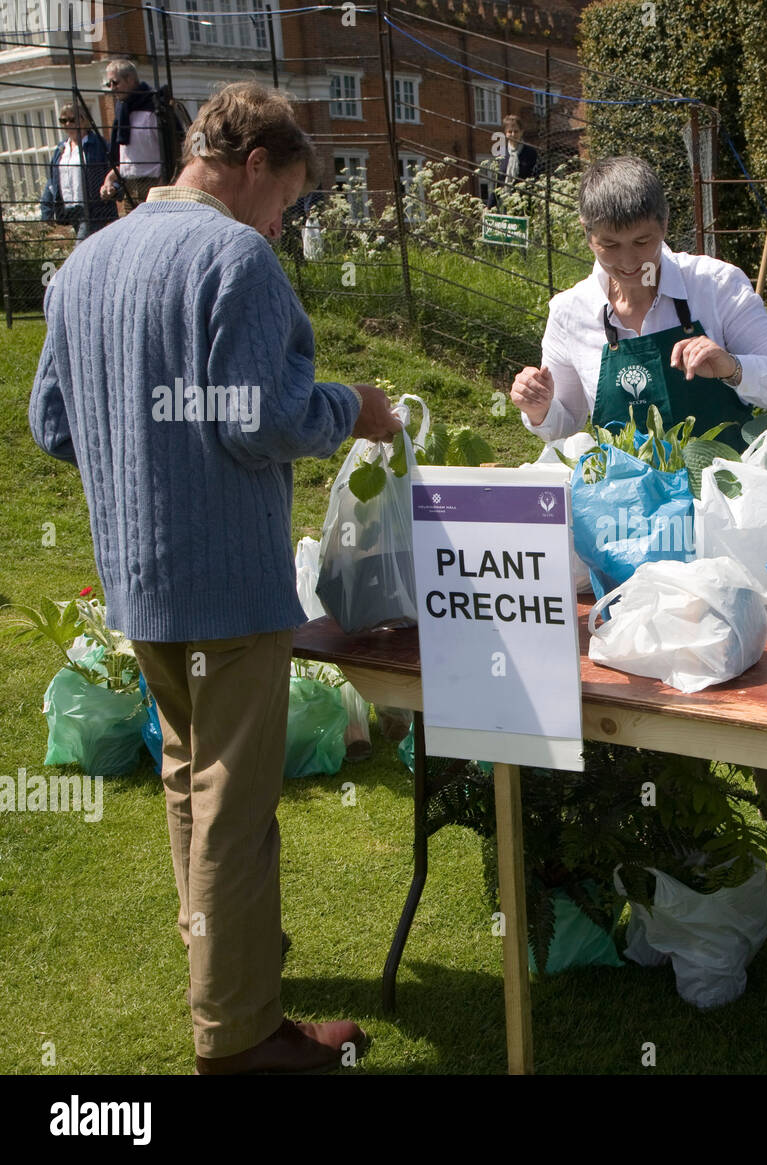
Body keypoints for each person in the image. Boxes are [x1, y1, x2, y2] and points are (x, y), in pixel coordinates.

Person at [30, 81, 401, 1074]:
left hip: (136, 579)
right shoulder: (235, 256)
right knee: (233, 808)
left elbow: (53, 425)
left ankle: (232, 972)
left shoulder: (85, 262)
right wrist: (350, 405)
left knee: (192, 789)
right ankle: (238, 1040)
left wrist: (141, 452)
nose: (284, 223)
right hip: (226, 583)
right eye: (287, 199)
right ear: (250, 168)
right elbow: (262, 419)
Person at [510, 154, 767, 880]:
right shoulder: (571, 313)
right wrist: (539, 405)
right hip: (629, 530)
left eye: (644, 244)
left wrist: (732, 365)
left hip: (723, 523)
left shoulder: (716, 286)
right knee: (655, 682)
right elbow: (568, 427)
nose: (628, 263)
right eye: (609, 246)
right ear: (588, 235)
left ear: (666, 230)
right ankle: (682, 833)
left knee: (754, 678)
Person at [39, 102, 116, 242]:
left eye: (72, 119)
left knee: (81, 247)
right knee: (90, 248)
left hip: (93, 208)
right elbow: (52, 181)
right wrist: (47, 210)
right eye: (63, 120)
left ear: (84, 120)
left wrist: (112, 187)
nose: (68, 124)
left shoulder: (98, 145)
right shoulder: (61, 149)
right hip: (71, 209)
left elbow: (116, 168)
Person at [99, 59, 167, 209]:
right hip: (129, 186)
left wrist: (163, 186)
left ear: (130, 79)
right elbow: (124, 159)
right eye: (108, 84)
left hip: (154, 184)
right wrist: (109, 180)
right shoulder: (122, 111)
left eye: (115, 83)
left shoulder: (155, 107)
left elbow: (173, 151)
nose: (111, 89)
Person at [485, 114, 538, 208]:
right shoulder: (501, 155)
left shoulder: (531, 153)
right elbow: (496, 183)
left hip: (525, 205)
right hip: (504, 204)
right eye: (510, 131)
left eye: (516, 131)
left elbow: (536, 178)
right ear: (505, 133)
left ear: (522, 132)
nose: (513, 135)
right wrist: (489, 207)